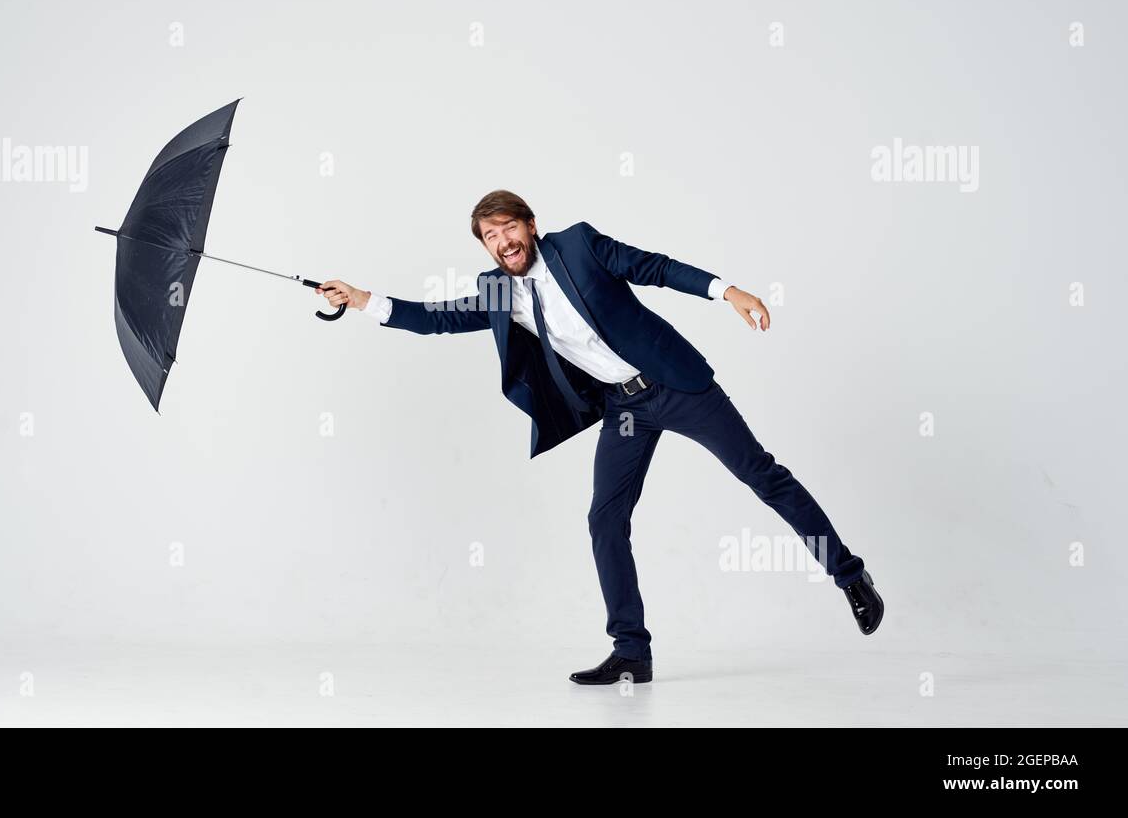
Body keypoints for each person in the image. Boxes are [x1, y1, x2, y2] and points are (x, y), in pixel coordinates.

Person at [318, 190, 883, 685]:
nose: (503, 241)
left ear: (530, 225)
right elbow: (434, 317)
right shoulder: (499, 293)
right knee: (604, 519)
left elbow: (655, 267)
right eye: (490, 236)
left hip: (674, 384)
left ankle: (850, 577)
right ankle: (631, 653)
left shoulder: (580, 246)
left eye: (509, 227)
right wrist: (361, 298)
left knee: (761, 475)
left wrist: (725, 290)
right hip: (624, 408)